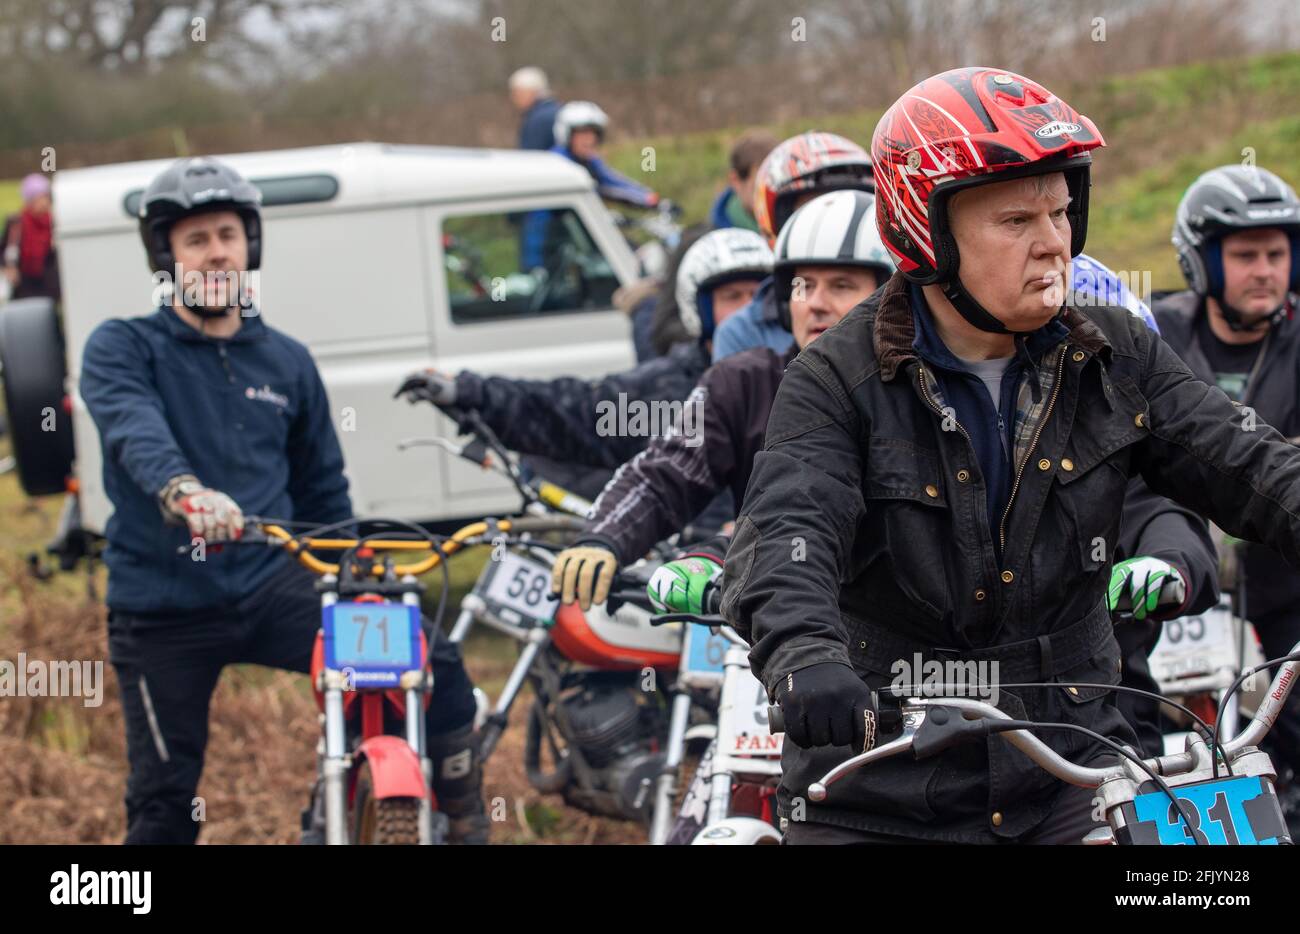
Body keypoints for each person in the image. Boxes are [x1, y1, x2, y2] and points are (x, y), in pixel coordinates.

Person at [721, 67, 1300, 845]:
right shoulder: (836, 378)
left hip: (1076, 768)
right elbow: (788, 534)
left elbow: (1251, 466)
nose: (1054, 242)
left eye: (1062, 212)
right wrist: (805, 657)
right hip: (879, 782)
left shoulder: (1115, 351)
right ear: (928, 234)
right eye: (1018, 220)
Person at [80, 157, 487, 845]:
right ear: (167, 255)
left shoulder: (288, 362)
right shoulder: (122, 347)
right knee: (162, 802)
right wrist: (184, 491)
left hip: (271, 584)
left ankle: (459, 810)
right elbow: (132, 430)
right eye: (196, 239)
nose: (216, 252)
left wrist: (356, 563)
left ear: (250, 246)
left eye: (228, 235)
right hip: (162, 604)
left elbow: (323, 487)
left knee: (430, 658)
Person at [549, 189, 894, 611]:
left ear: (889, 296)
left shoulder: (921, 392)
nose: (816, 303)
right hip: (773, 634)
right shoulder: (743, 381)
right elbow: (666, 473)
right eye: (803, 286)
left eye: (841, 285)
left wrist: (720, 549)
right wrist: (603, 538)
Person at [396, 227, 772, 504]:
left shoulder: (803, 381)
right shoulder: (666, 393)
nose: (747, 310)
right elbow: (569, 409)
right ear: (700, 308)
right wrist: (471, 392)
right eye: (732, 296)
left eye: (758, 296)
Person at [1153, 163, 1300, 790]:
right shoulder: (1153, 332)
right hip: (1169, 575)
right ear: (1201, 261)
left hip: (1282, 586)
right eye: (1244, 255)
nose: (1264, 269)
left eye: (1277, 253)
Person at [710, 131, 875, 362]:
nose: (836, 226)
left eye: (850, 209)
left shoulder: (914, 311)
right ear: (777, 220)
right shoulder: (741, 335)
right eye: (815, 213)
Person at [648, 129, 779, 357]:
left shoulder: (793, 240)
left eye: (778, 181)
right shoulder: (697, 245)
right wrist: (719, 334)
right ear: (736, 181)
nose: (771, 191)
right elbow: (664, 331)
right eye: (761, 182)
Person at [520, 100, 660, 271]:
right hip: (548, 247)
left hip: (577, 239)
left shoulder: (589, 161)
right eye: (582, 133)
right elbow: (604, 189)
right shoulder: (560, 163)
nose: (590, 139)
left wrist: (650, 198)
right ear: (567, 135)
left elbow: (613, 181)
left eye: (594, 134)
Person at [2, 173, 60, 302]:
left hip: (49, 286)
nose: (45, 201)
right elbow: (3, 250)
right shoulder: (16, 223)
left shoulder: (55, 223)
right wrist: (7, 268)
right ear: (30, 200)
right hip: (23, 287)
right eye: (41, 197)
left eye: (47, 197)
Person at [509, 66, 561, 151]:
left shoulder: (538, 120)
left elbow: (530, 157)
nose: (513, 98)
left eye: (517, 93)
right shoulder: (558, 110)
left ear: (531, 92)